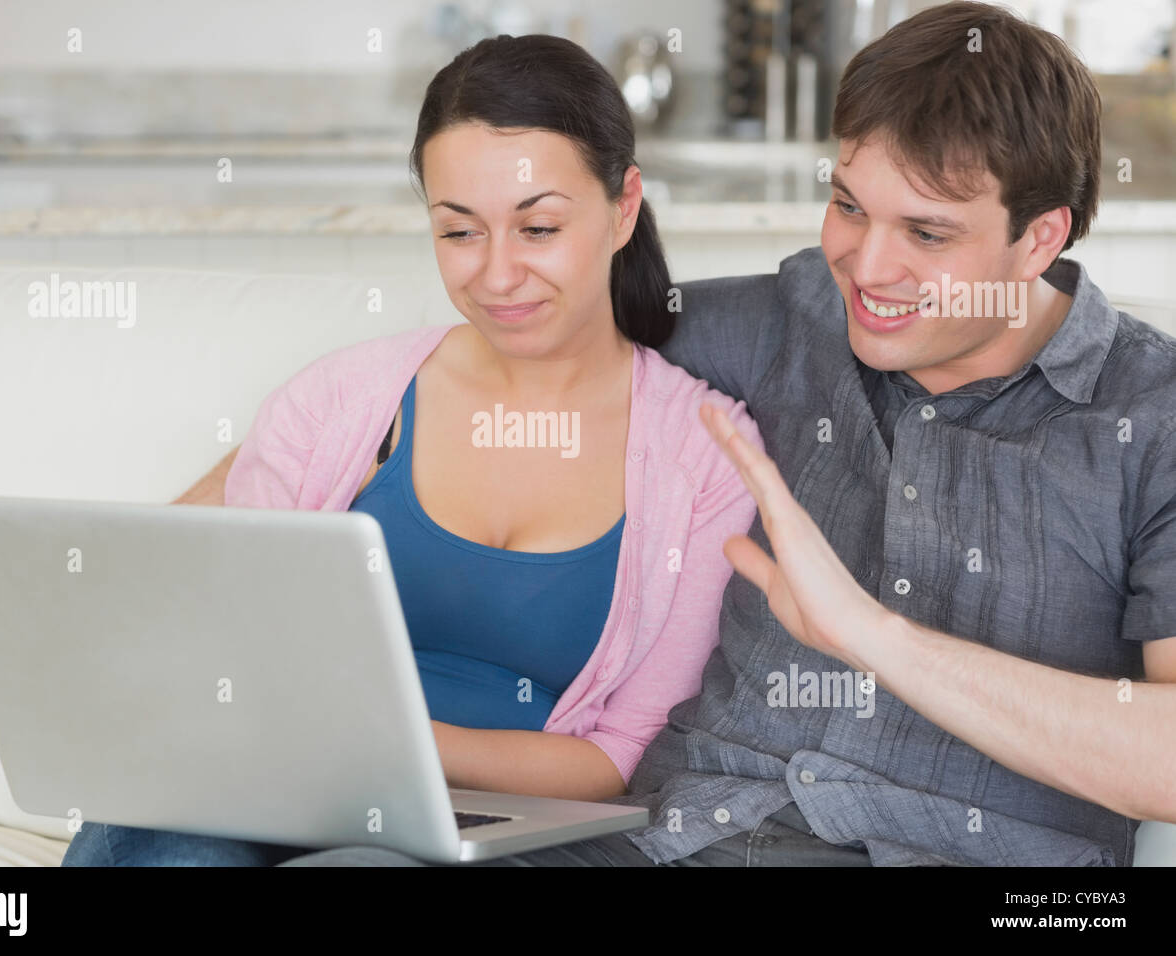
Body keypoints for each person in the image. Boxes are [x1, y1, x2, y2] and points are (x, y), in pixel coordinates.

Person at [171, 0, 1176, 868]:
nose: (866, 267)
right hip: (680, 840)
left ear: (1039, 237)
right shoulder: (784, 322)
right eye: (844, 206)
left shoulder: (1151, 417)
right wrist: (270, 473)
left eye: (925, 233)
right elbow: (536, 329)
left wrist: (873, 634)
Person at [62, 33, 764, 866]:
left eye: (537, 227)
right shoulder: (342, 407)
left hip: (468, 831)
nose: (497, 276)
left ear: (622, 207)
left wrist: (388, 740)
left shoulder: (706, 456)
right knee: (166, 834)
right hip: (264, 781)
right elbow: (216, 643)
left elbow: (616, 758)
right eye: (459, 233)